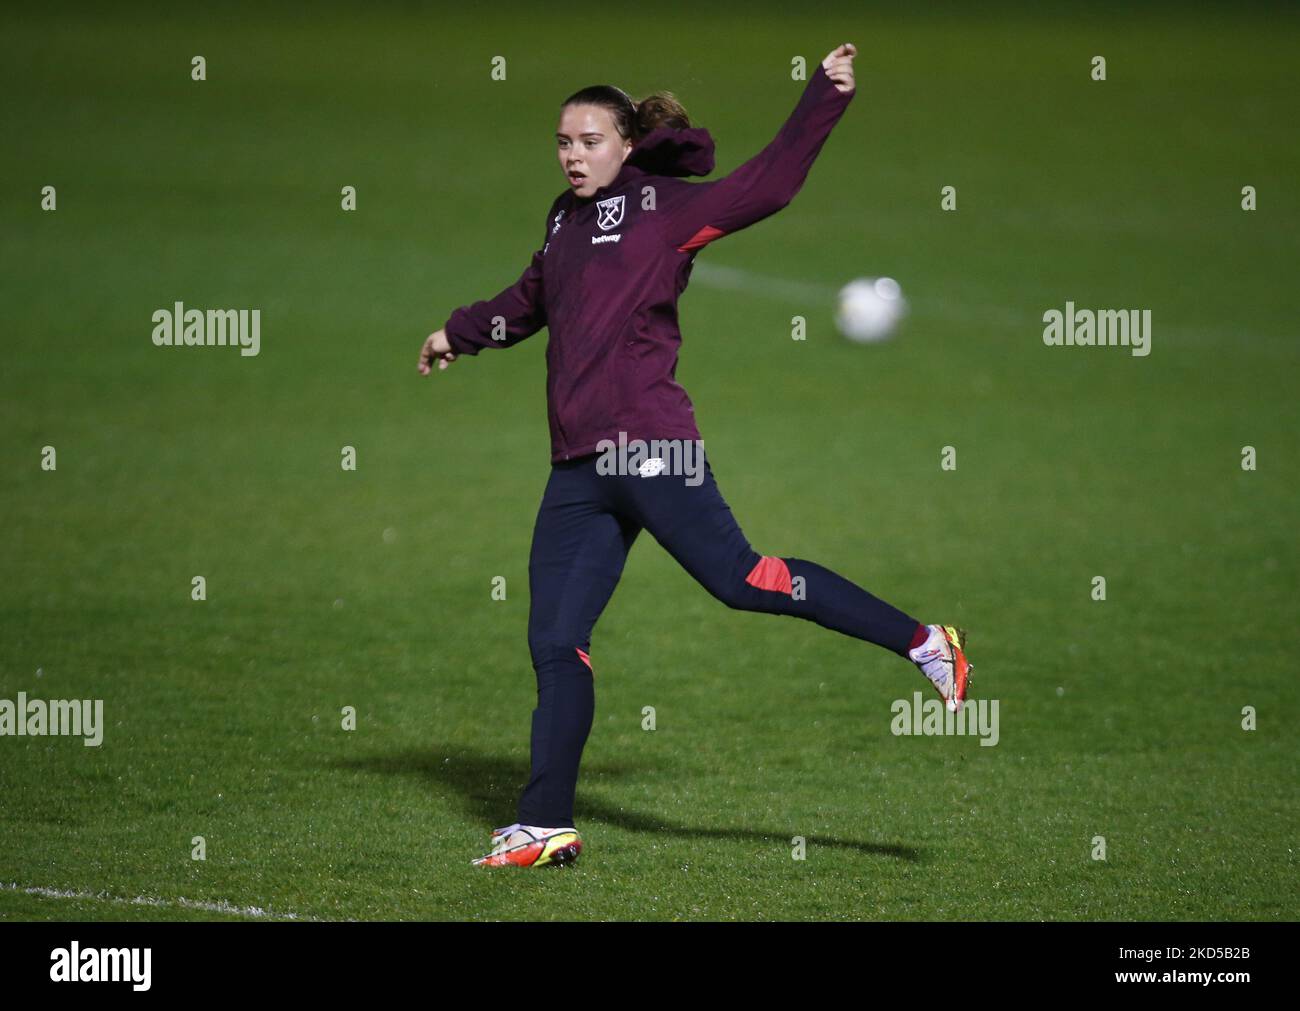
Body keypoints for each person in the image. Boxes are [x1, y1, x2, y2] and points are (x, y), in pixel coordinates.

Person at [418, 44, 973, 869]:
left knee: (743, 580)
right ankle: (544, 822)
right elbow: (530, 301)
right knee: (556, 637)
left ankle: (927, 641)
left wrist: (823, 95)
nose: (573, 155)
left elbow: (772, 182)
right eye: (563, 142)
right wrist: (459, 334)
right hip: (577, 469)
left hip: (653, 452)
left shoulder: (665, 210)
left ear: (627, 143)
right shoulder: (562, 219)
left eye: (589, 140)